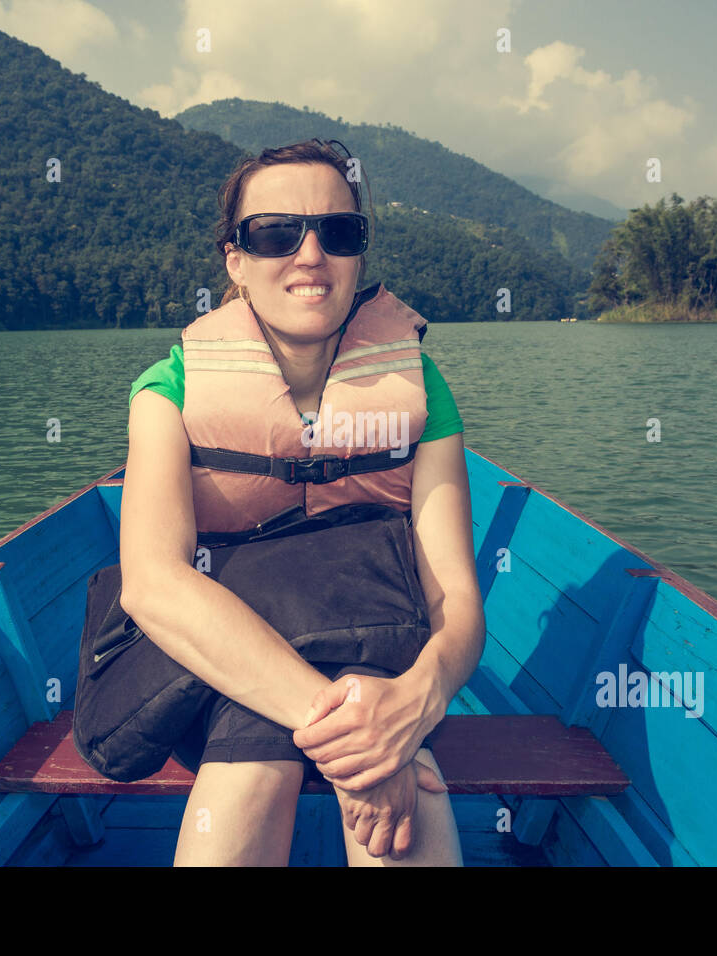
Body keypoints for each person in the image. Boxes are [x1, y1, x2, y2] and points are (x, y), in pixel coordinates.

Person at [119, 139, 485, 866]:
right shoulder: (169, 390)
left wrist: (418, 699)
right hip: (226, 663)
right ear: (236, 259)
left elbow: (456, 603)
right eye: (277, 233)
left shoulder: (422, 390)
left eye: (338, 233)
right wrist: (357, 739)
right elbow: (154, 583)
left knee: (407, 797)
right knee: (260, 761)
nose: (310, 254)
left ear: (358, 254)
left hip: (381, 655)